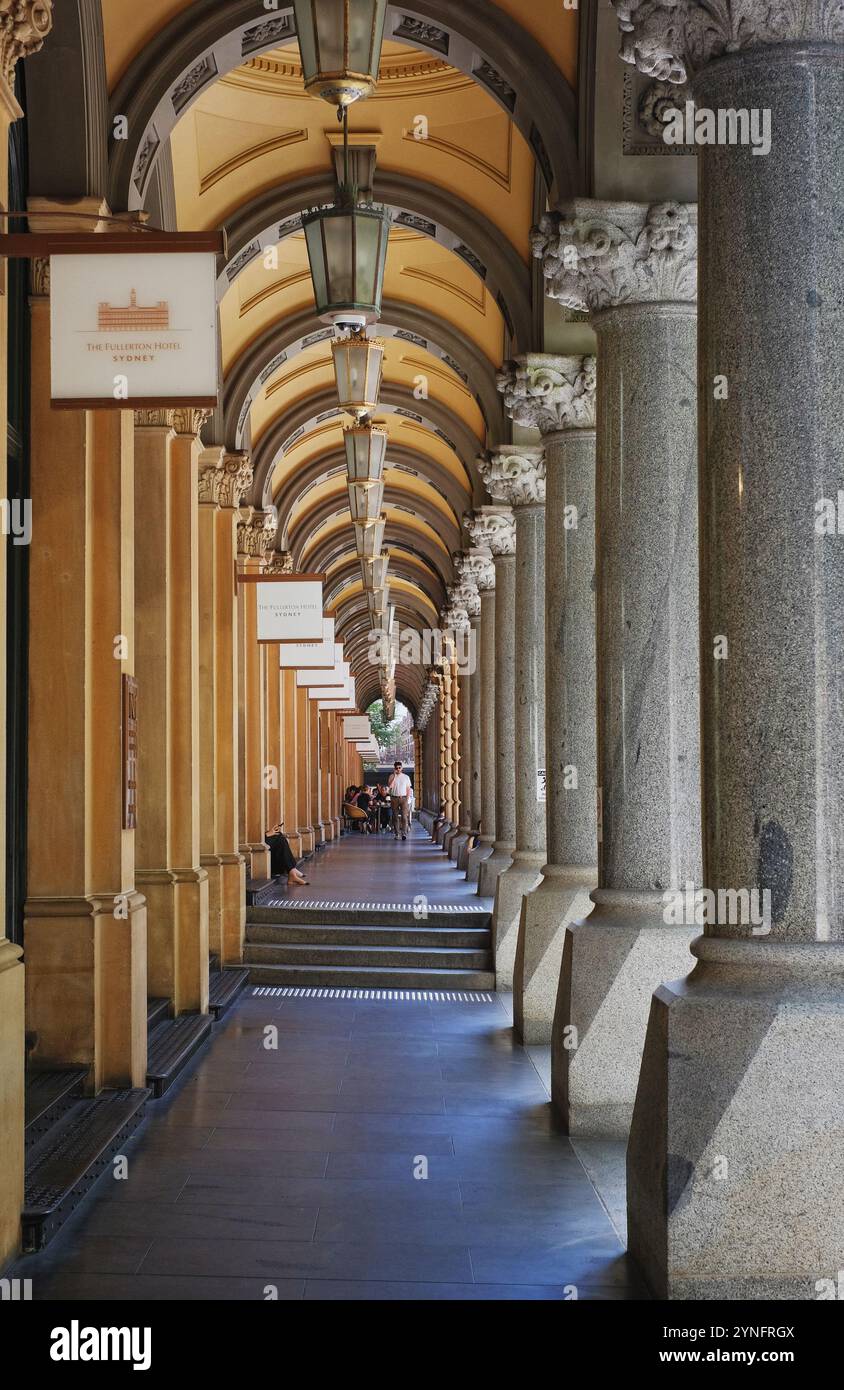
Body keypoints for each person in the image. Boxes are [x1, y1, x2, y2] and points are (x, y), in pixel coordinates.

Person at [388, 761, 412, 840]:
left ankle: (404, 833)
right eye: (396, 768)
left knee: (404, 817)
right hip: (394, 798)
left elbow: (408, 789)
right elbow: (390, 786)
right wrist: (394, 776)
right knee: (395, 817)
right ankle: (397, 834)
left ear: (402, 768)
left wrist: (407, 799)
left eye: (399, 768)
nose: (398, 769)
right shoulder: (391, 776)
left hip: (403, 798)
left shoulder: (406, 777)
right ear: (394, 768)